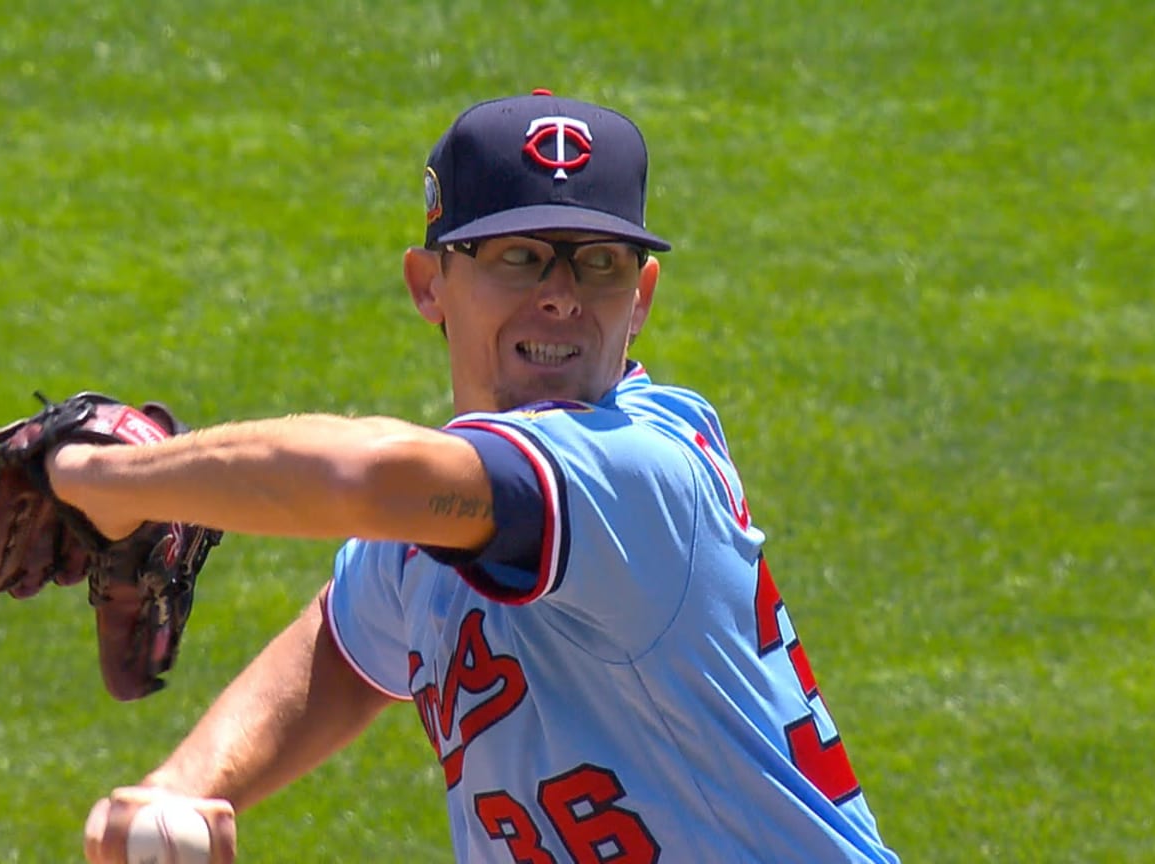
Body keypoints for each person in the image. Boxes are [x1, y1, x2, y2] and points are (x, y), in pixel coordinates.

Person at [68, 89, 899, 863]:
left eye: (601, 263)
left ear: (641, 297)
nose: (564, 297)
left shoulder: (639, 472)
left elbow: (367, 478)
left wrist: (108, 480)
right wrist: (183, 788)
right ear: (430, 284)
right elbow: (346, 649)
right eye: (521, 256)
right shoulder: (437, 524)